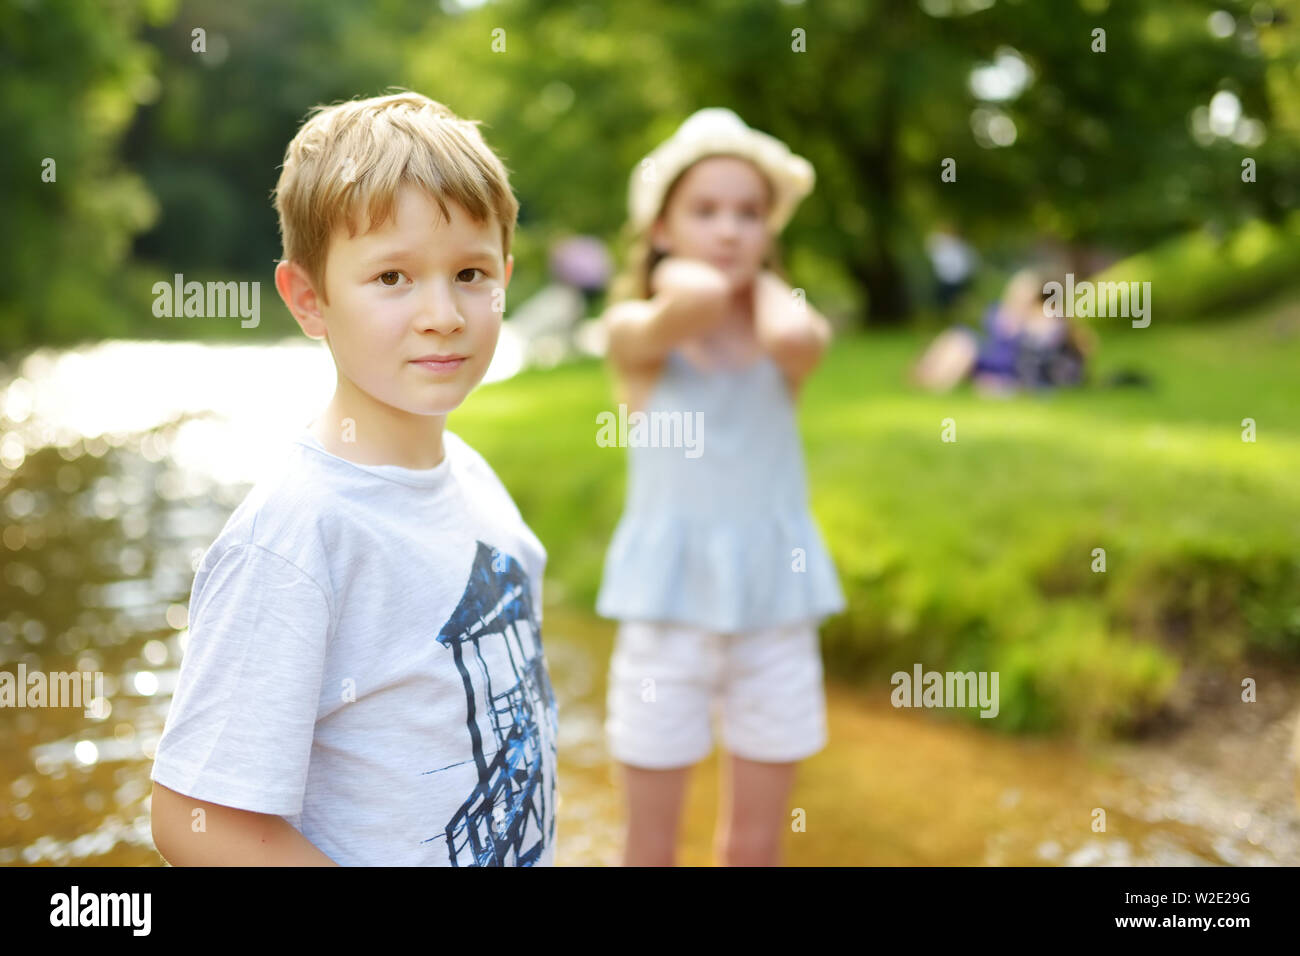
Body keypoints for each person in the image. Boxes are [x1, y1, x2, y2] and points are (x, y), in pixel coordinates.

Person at [148, 92, 559, 866]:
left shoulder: (474, 482)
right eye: (393, 278)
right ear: (311, 300)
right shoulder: (299, 535)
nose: (442, 313)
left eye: (469, 272)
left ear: (505, 276)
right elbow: (194, 816)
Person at [594, 108, 846, 866]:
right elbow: (693, 303)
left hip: (776, 608)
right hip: (664, 610)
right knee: (650, 848)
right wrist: (679, 271)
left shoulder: (784, 332)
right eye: (705, 212)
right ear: (661, 227)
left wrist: (749, 272)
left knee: (754, 845)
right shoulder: (637, 334)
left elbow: (797, 338)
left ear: (772, 232)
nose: (731, 230)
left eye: (751, 213)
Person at [912, 268, 1093, 395]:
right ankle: (925, 378)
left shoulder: (1042, 322)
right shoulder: (1004, 313)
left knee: (964, 345)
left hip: (1004, 369)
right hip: (990, 361)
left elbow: (1035, 364)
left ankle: (935, 386)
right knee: (958, 337)